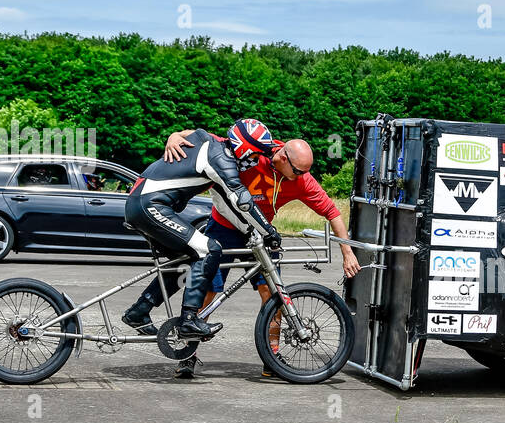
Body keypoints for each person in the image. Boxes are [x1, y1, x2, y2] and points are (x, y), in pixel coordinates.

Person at [162, 127, 360, 378]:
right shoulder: (256, 150)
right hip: (223, 227)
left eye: (304, 172)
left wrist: (347, 252)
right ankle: (188, 354)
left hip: (260, 233)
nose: (301, 177)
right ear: (283, 157)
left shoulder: (300, 179)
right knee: (208, 290)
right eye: (298, 171)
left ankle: (272, 357)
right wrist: (174, 137)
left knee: (274, 294)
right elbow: (207, 138)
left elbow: (333, 213)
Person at [120, 119, 281, 351]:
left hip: (141, 203)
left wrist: (252, 231)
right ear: (245, 149)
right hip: (151, 205)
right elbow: (243, 200)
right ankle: (188, 321)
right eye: (255, 155)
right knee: (210, 249)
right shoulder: (221, 159)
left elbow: (229, 205)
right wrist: (270, 232)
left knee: (186, 259)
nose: (256, 161)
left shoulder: (211, 146)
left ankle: (139, 312)